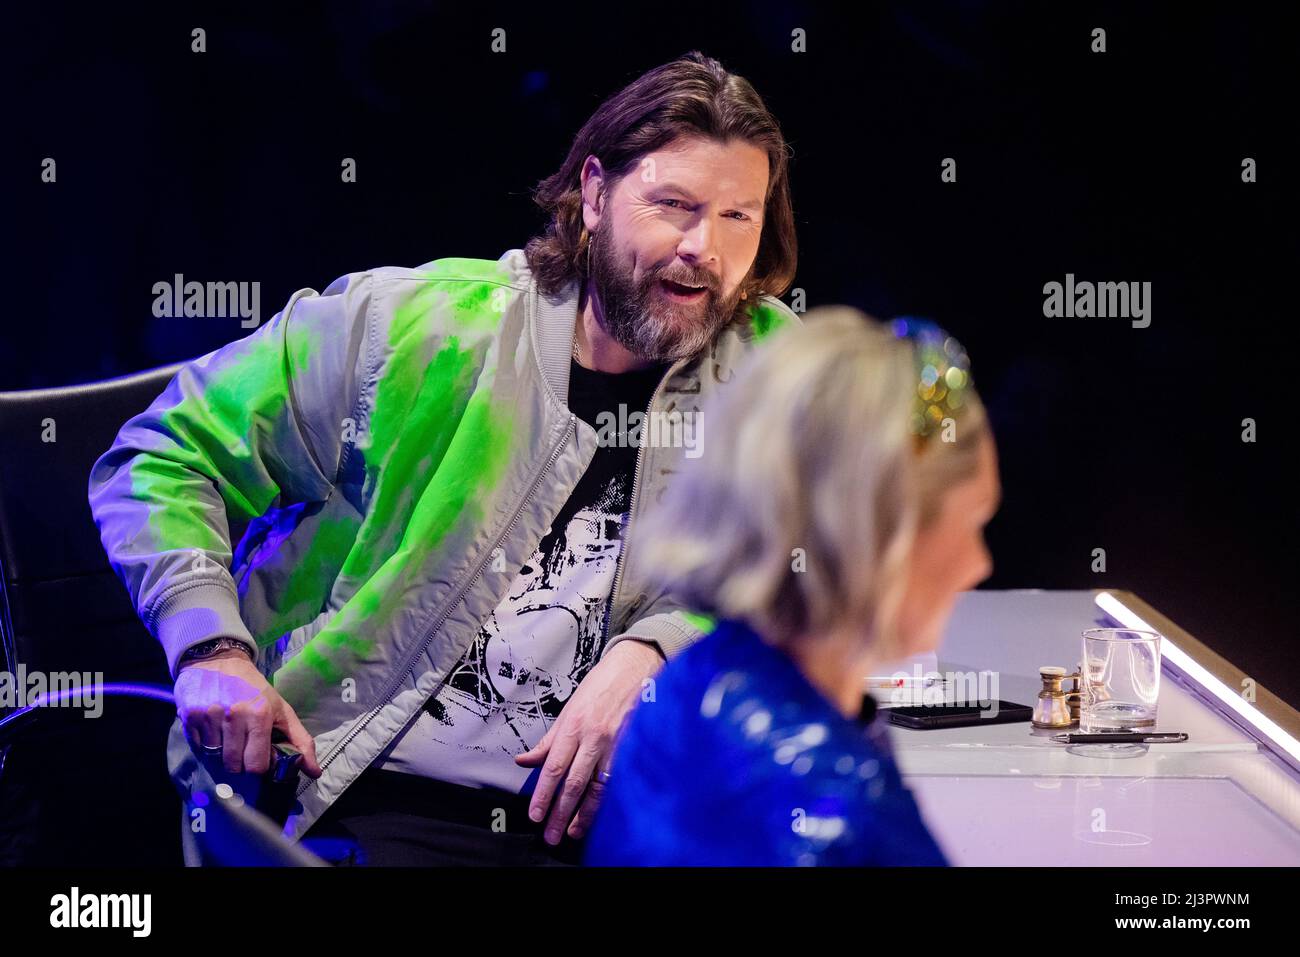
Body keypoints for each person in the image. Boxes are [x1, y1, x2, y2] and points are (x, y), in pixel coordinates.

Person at [86, 51, 800, 865]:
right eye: (674, 205)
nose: (702, 248)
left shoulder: (771, 370)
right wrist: (210, 648)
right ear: (596, 194)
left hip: (631, 813)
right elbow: (160, 454)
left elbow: (814, 563)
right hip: (369, 788)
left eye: (738, 217)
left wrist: (660, 647)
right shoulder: (419, 329)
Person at [584, 308, 1002, 865]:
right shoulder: (847, 819)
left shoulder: (686, 685)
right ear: (879, 537)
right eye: (972, 524)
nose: (980, 565)